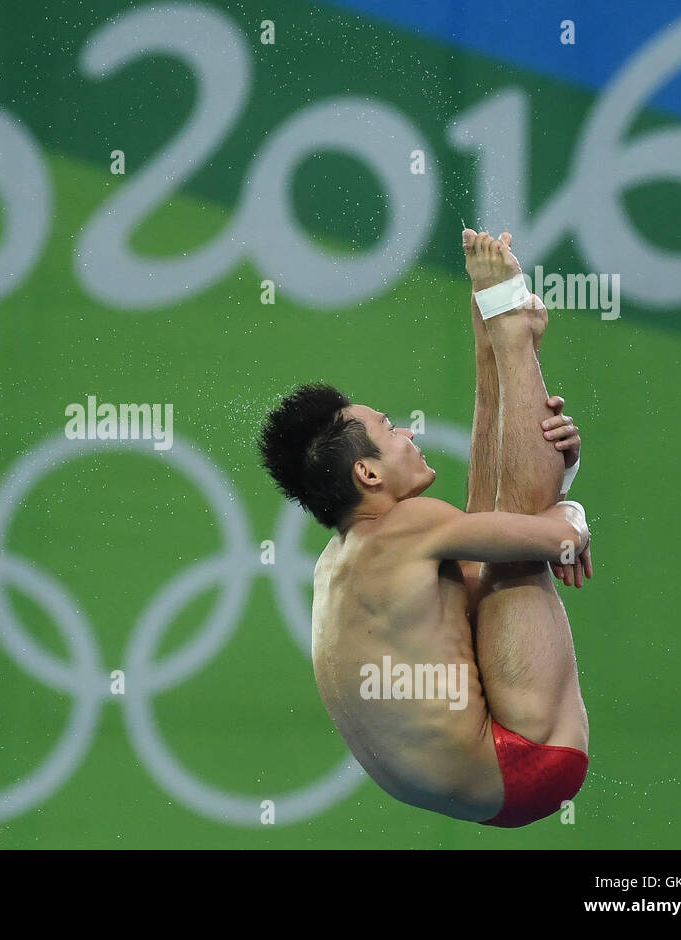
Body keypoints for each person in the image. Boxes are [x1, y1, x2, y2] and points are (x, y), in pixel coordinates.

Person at [257, 229, 592, 826]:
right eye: (390, 429)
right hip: (529, 763)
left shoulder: (338, 560)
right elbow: (559, 539)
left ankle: (495, 336)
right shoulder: (408, 528)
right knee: (512, 550)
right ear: (367, 472)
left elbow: (496, 524)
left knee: (482, 543)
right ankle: (510, 338)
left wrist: (554, 503)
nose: (408, 433)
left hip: (463, 784)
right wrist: (570, 505)